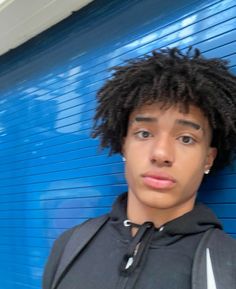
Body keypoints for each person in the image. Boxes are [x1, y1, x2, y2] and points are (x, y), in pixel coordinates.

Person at [43, 47, 236, 289]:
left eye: (186, 138)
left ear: (208, 158)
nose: (161, 154)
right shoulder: (69, 245)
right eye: (144, 133)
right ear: (123, 145)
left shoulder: (228, 265)